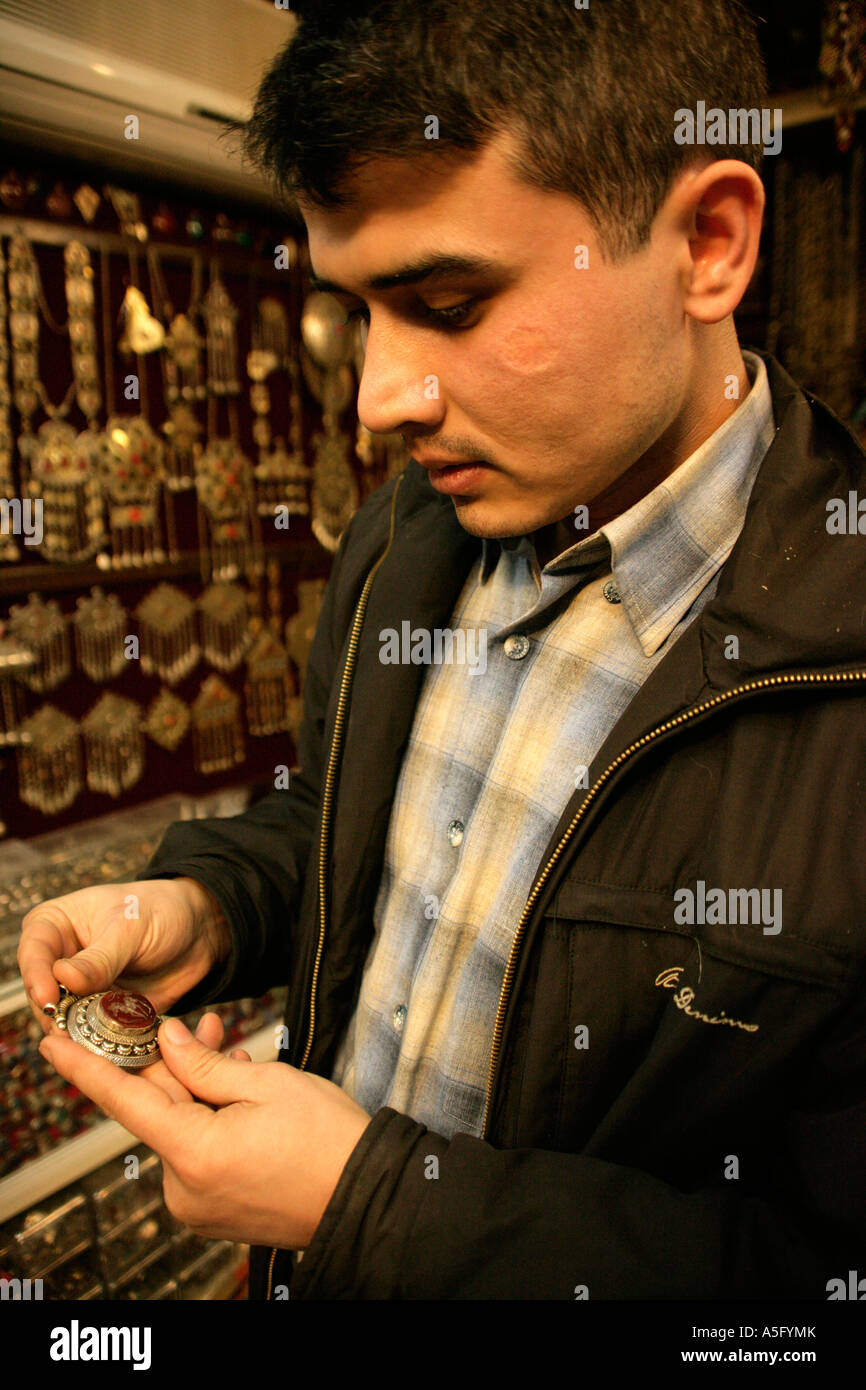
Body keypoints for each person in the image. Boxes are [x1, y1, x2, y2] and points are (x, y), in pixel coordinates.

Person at [19, 0, 866, 1301]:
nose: (376, 399)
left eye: (450, 303)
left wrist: (371, 1205)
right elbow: (357, 839)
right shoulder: (412, 535)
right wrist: (206, 905)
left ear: (706, 243)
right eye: (360, 309)